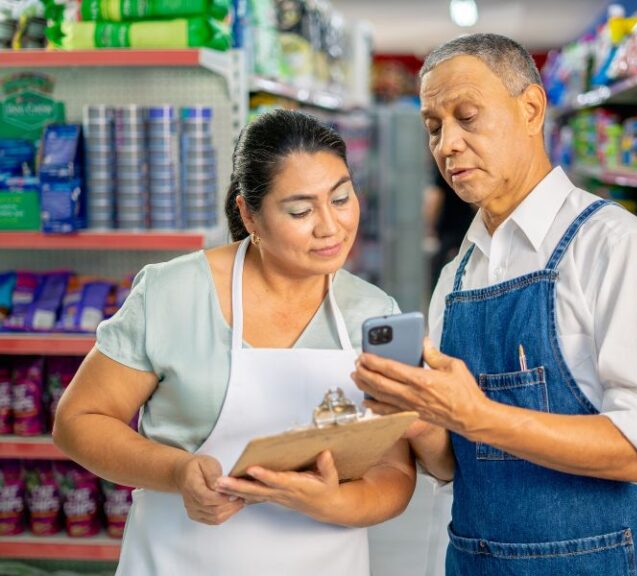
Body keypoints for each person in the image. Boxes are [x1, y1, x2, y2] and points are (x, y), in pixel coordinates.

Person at [352, 33, 637, 576]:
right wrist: (413, 414)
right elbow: (451, 463)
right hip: (476, 559)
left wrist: (479, 415)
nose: (447, 146)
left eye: (467, 116)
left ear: (531, 108)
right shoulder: (456, 276)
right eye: (434, 128)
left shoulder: (613, 246)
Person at [53, 109, 416, 576]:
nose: (330, 226)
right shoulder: (174, 292)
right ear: (249, 215)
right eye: (301, 210)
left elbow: (396, 472)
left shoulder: (374, 314)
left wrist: (336, 501)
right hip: (177, 560)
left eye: (342, 198)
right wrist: (177, 472)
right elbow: (78, 420)